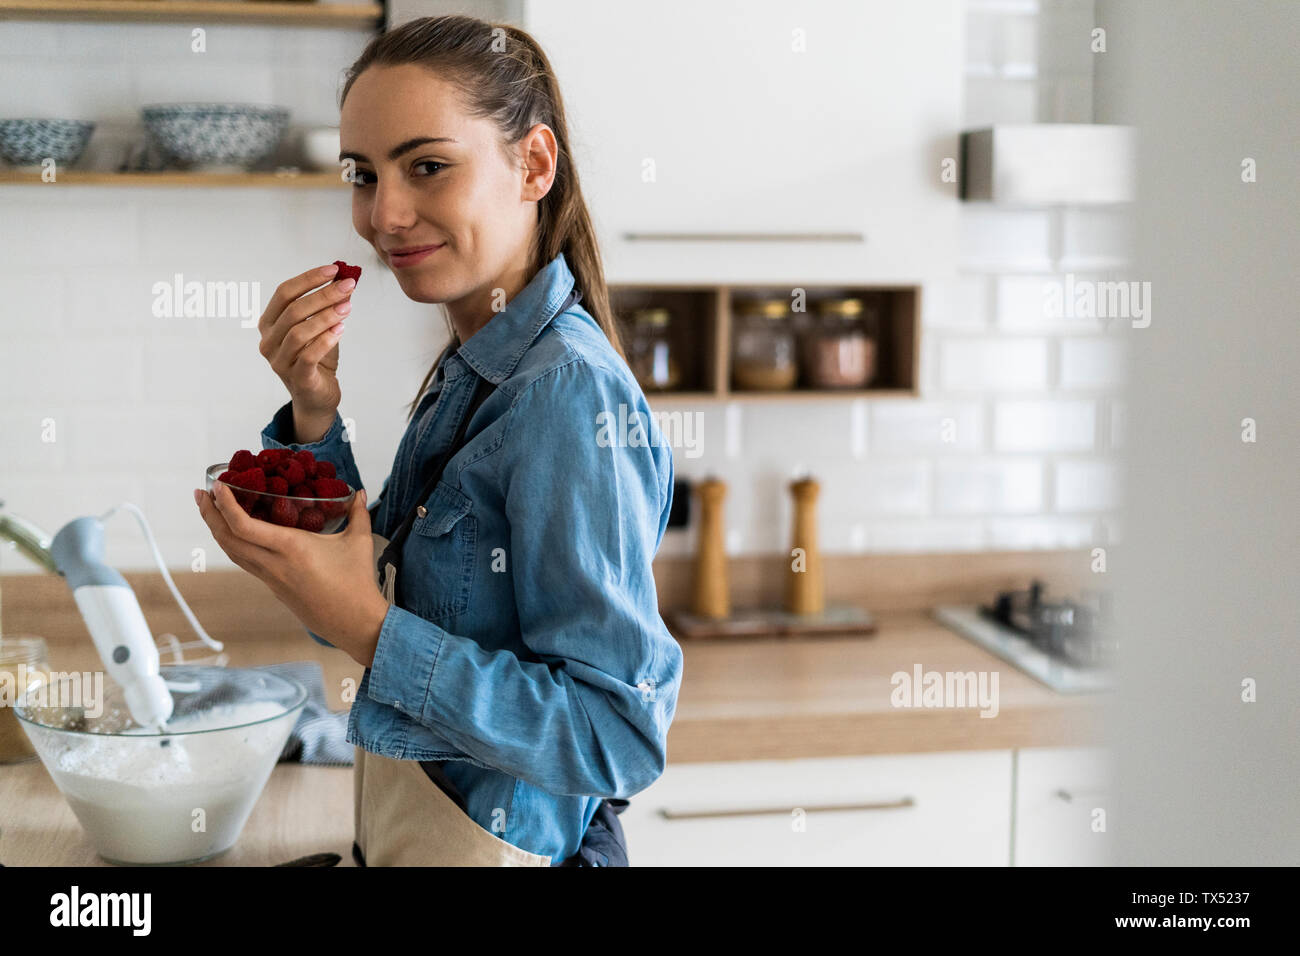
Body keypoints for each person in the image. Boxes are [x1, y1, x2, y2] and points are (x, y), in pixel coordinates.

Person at [194, 14, 682, 866]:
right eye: (363, 173)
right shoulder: (476, 368)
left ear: (533, 165)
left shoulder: (564, 395)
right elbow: (379, 599)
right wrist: (314, 409)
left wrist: (368, 632)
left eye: (427, 166)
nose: (383, 214)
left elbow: (615, 737)